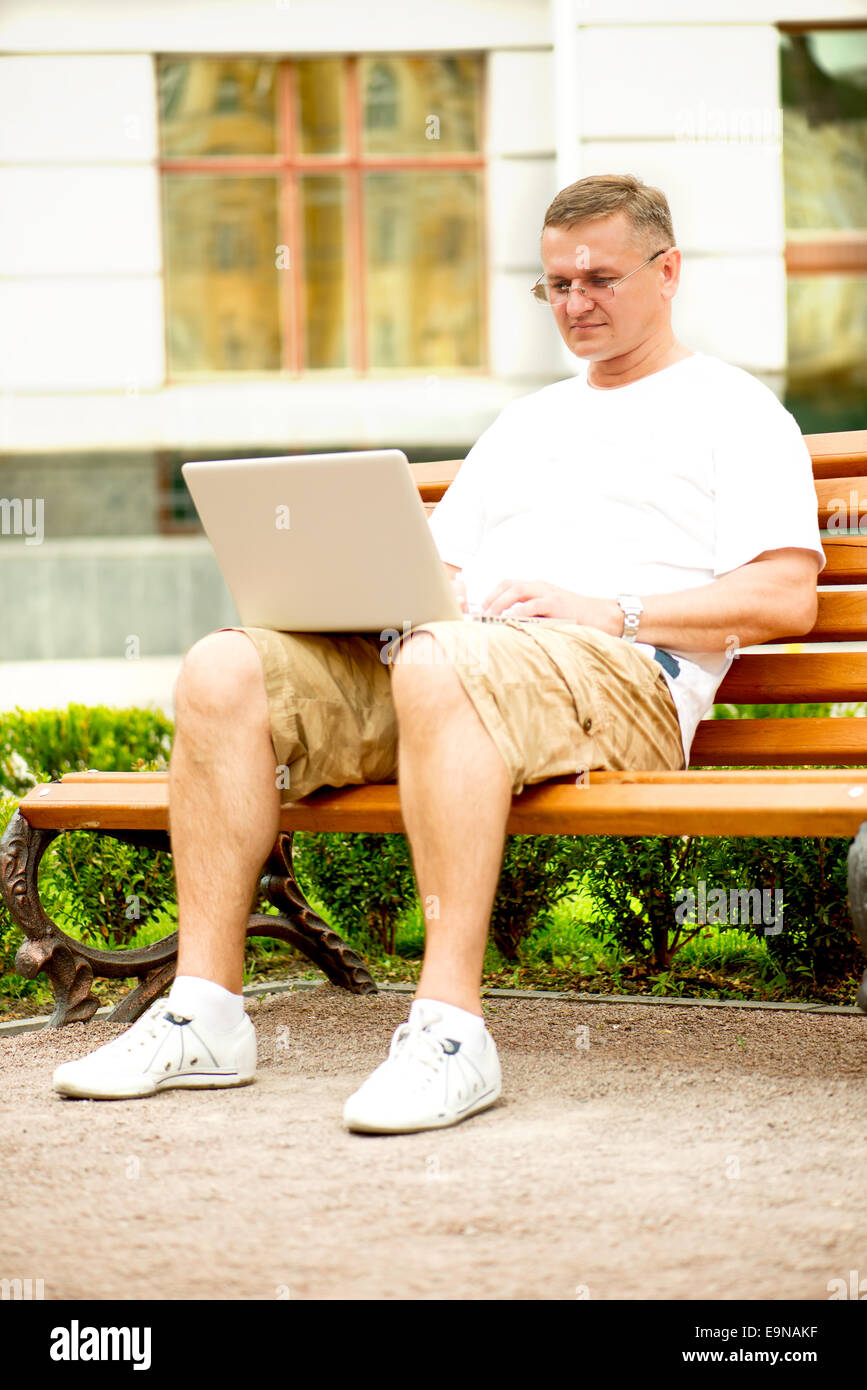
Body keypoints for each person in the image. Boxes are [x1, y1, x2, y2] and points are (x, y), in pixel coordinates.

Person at [52, 174, 824, 1133]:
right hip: (457, 657)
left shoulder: (735, 411)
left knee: (437, 662)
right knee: (226, 667)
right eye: (554, 285)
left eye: (599, 279)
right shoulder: (525, 421)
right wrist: (380, 604)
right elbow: (438, 564)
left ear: (668, 273)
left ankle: (450, 1032)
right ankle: (205, 1014)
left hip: (628, 673)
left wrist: (606, 608)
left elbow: (786, 596)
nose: (574, 304)